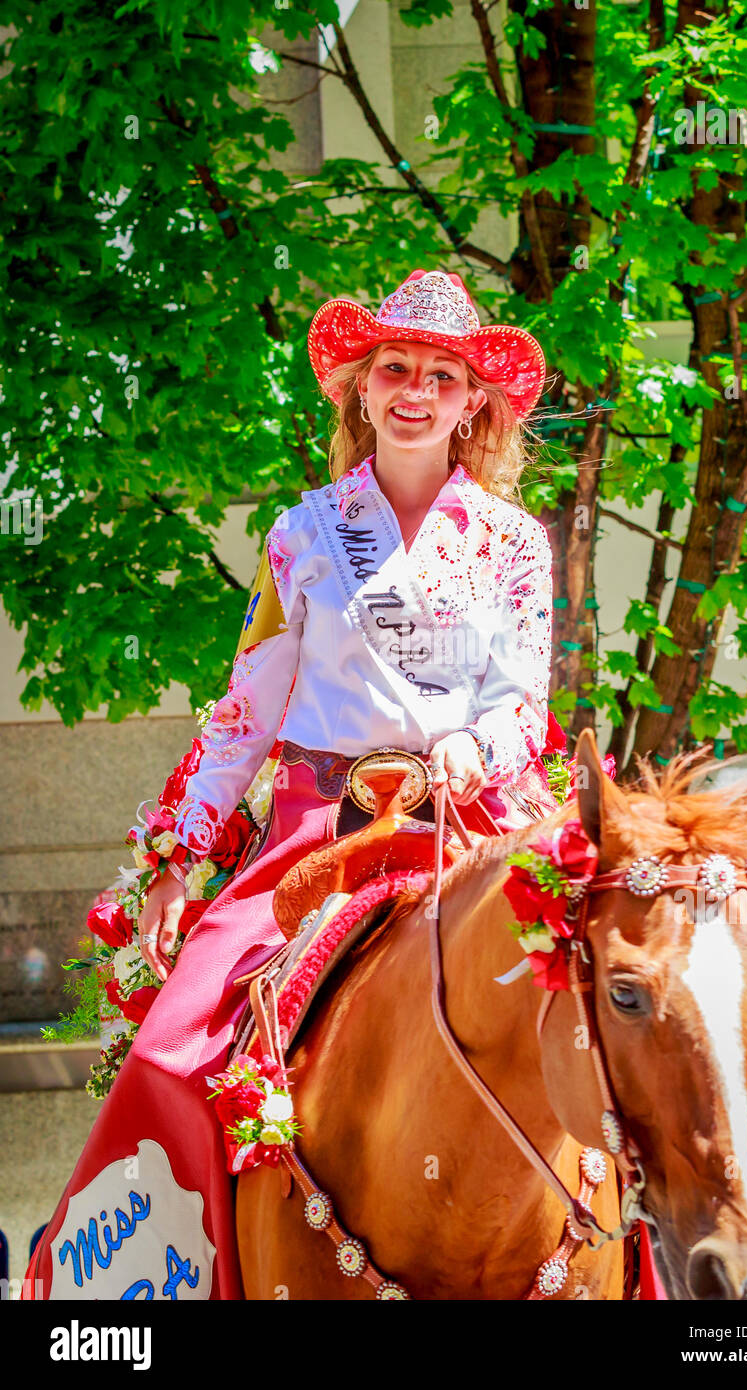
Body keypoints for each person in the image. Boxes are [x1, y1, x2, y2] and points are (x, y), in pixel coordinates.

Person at [24, 267, 558, 1300]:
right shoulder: (301, 533)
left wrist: (477, 749)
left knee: (609, 1014)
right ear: (358, 390)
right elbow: (245, 711)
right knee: (176, 1044)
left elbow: (521, 705)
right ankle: (122, 1293)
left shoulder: (512, 545)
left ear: (471, 400)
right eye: (392, 368)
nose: (414, 390)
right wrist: (178, 859)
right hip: (318, 829)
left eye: (439, 375)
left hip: (472, 819)